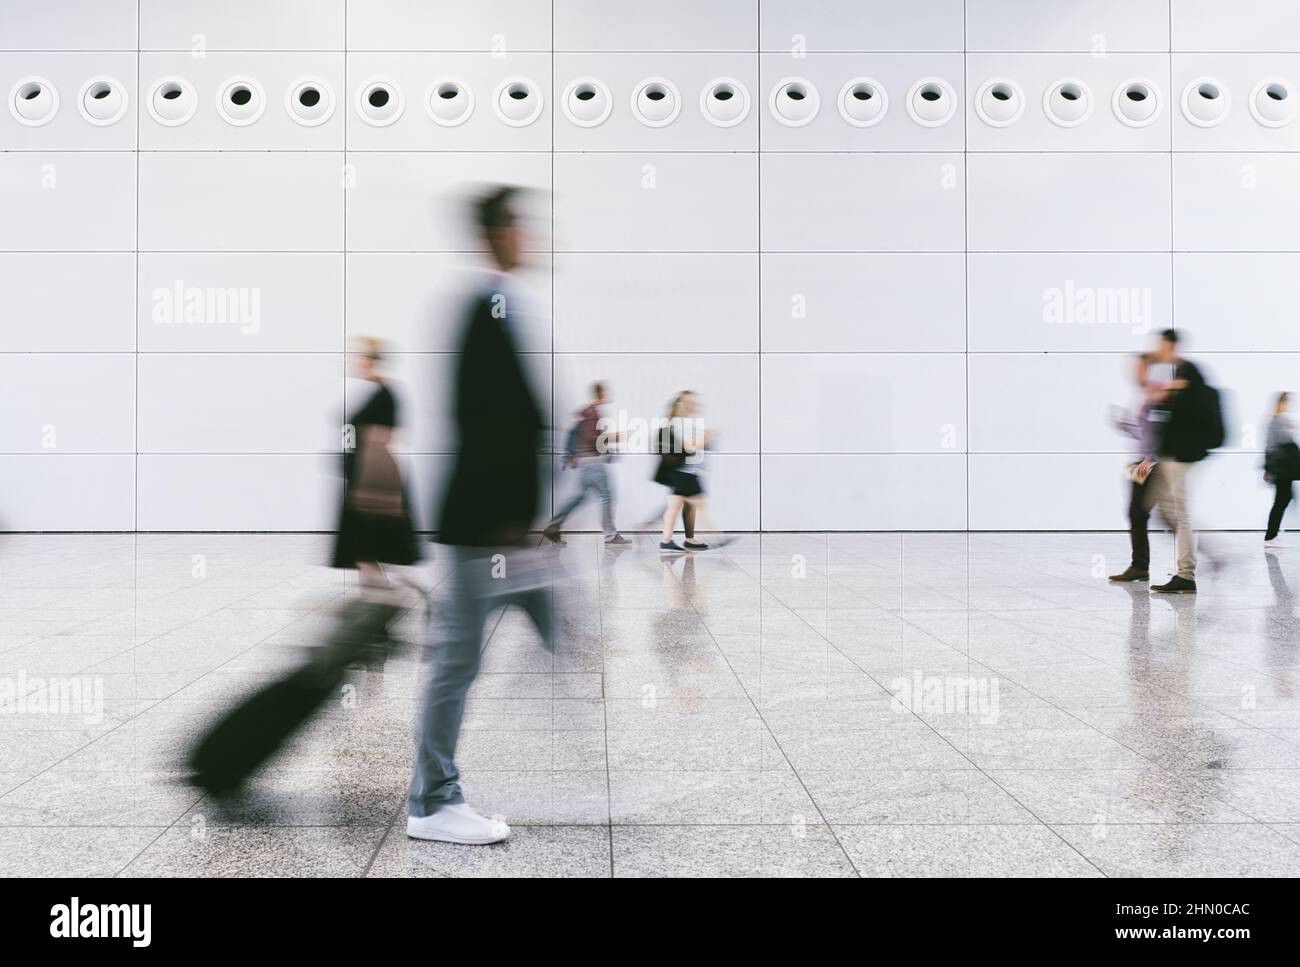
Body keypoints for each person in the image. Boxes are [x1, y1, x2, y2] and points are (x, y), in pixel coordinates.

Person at [407, 186, 555, 845]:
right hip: (483, 524)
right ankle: (432, 799)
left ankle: (583, 772)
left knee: (550, 630)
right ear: (495, 232)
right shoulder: (481, 309)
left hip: (502, 523)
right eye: (521, 225)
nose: (532, 236)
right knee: (458, 657)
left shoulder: (499, 306)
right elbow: (484, 420)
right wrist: (508, 517)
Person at [331, 337, 420, 586]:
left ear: (373, 362)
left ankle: (378, 604)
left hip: (371, 473)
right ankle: (378, 602)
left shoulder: (383, 393)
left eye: (361, 358)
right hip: (368, 469)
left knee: (365, 547)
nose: (355, 363)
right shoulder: (379, 392)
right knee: (368, 549)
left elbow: (387, 434)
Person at [1144, 328, 1219, 595]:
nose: (1159, 351)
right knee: (1163, 510)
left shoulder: (1188, 373)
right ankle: (1202, 558)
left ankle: (1186, 574)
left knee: (1180, 514)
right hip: (1170, 455)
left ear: (1171, 346)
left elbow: (1185, 408)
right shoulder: (1180, 375)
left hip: (1180, 456)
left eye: (1161, 346)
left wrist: (1168, 392)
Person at [542, 381, 630, 546]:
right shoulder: (593, 413)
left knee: (579, 497)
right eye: (606, 392)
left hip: (585, 462)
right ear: (601, 393)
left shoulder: (588, 412)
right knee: (607, 496)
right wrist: (613, 437)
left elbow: (579, 435)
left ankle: (553, 526)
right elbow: (591, 439)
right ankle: (611, 536)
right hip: (593, 463)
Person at [1109, 353, 1161, 583]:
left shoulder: (1155, 393)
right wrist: (1124, 425)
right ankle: (1139, 565)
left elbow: (1159, 432)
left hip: (1148, 463)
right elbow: (1143, 432)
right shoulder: (1141, 395)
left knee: (1148, 514)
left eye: (1139, 368)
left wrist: (1150, 459)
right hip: (1139, 462)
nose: (1134, 372)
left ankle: (1140, 566)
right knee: (1136, 514)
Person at [655, 390, 717, 552]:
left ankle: (677, 539)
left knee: (680, 505)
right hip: (683, 471)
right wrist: (707, 436)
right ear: (682, 406)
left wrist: (705, 440)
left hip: (687, 470)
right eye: (690, 403)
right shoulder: (678, 423)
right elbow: (690, 446)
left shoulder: (684, 422)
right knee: (696, 502)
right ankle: (716, 535)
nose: (694, 406)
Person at [1264, 391, 1299, 547]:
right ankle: (1270, 537)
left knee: (1283, 500)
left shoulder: (1278, 420)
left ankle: (1271, 536)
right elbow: (1275, 444)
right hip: (1282, 468)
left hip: (1282, 468)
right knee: (1281, 501)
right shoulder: (1278, 421)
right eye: (1286, 402)